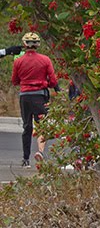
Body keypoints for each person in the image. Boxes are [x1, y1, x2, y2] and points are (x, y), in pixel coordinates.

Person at [10, 31, 59, 167]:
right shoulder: (45, 60)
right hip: (40, 96)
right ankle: (40, 151)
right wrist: (49, 84)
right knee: (41, 126)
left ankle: (25, 159)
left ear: (25, 44)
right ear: (37, 45)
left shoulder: (18, 61)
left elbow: (14, 81)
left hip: (25, 96)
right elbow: (53, 80)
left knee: (27, 127)